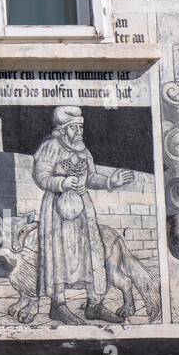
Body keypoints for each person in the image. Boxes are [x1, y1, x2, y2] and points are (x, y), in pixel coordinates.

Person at [32, 106, 134, 324]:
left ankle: (93, 305)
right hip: (58, 210)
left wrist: (109, 182)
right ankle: (58, 305)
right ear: (62, 129)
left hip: (83, 209)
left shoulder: (83, 150)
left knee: (91, 253)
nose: (79, 131)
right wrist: (62, 182)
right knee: (60, 254)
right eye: (74, 127)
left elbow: (91, 177)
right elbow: (41, 177)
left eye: (80, 127)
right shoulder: (51, 147)